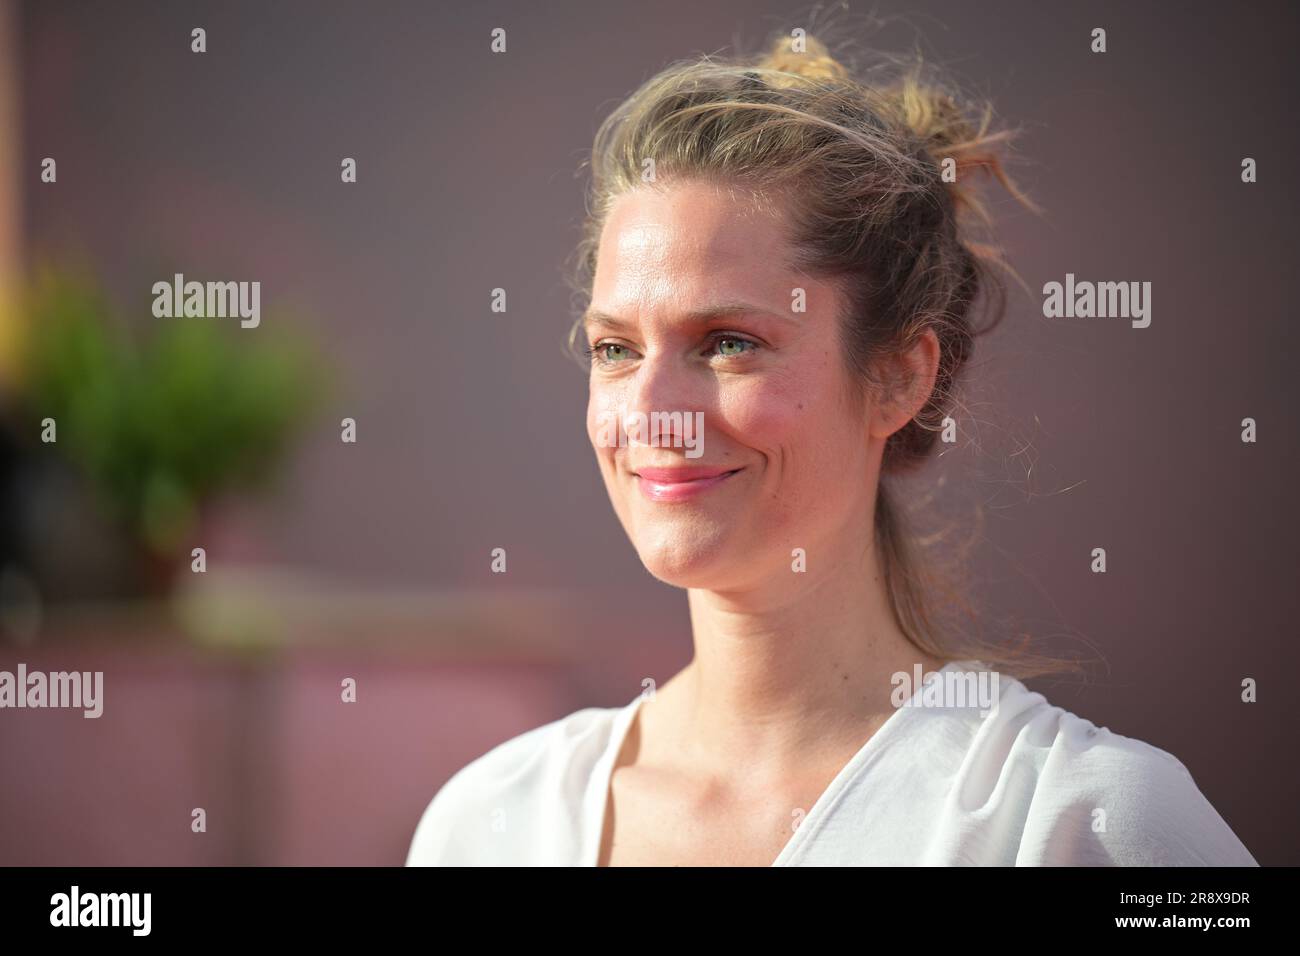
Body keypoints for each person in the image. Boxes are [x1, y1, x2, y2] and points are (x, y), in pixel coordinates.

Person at [406, 32, 1257, 867]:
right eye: (616, 350)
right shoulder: (491, 819)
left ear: (896, 376)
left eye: (729, 341)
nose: (653, 414)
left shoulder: (1081, 821)